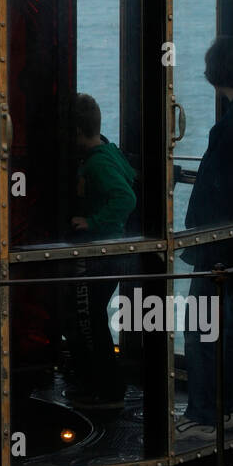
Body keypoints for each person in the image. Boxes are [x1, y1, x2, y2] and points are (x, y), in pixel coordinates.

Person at [177, 36, 233, 440]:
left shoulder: (228, 128)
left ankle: (205, 415)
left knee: (201, 328)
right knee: (226, 329)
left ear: (213, 75)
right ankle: (228, 407)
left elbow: (215, 191)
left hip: (216, 248)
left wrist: (198, 238)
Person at [60, 93, 136, 409]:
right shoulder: (109, 152)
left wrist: (90, 221)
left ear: (76, 131)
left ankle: (105, 390)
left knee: (88, 320)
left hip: (104, 254)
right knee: (91, 318)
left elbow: (125, 198)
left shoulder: (97, 163)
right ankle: (104, 385)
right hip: (114, 254)